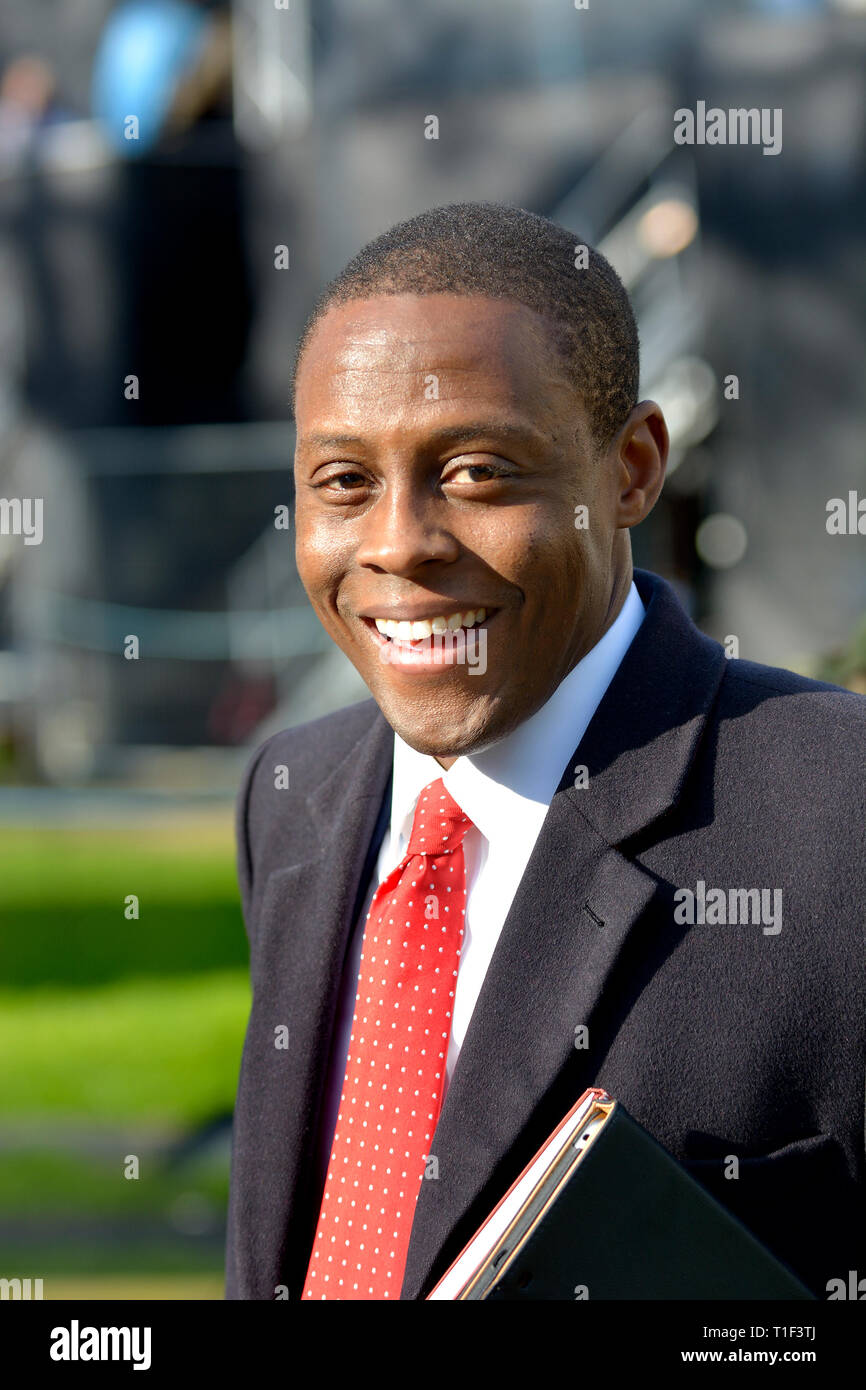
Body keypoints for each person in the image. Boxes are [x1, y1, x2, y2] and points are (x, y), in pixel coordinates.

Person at [225, 202, 866, 1301]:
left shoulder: (834, 813)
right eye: (342, 481)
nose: (395, 544)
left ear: (628, 470)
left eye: (475, 470)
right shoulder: (293, 796)